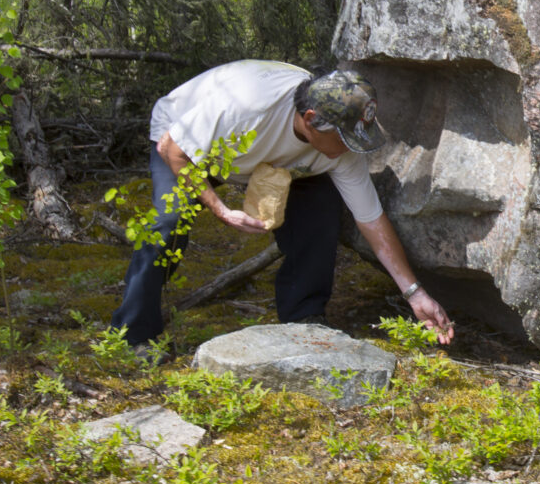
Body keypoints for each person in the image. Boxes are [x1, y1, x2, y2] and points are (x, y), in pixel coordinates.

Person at [111, 61, 454, 348]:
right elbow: (171, 149)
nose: (352, 149)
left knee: (320, 206)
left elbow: (371, 219)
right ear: (311, 119)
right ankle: (133, 333)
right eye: (345, 138)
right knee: (169, 222)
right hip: (194, 144)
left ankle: (304, 317)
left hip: (274, 159)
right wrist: (221, 209)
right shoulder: (247, 109)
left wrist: (415, 294)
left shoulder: (339, 149)